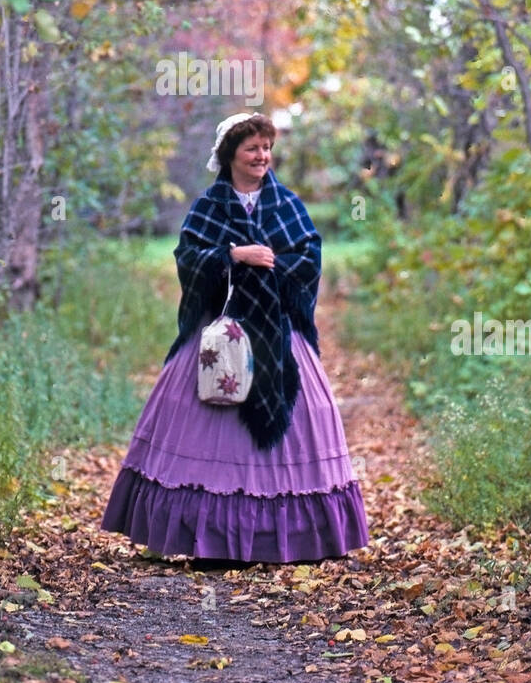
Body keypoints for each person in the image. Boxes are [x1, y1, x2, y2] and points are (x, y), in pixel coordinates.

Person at [100, 111, 368, 564]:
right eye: (252, 149)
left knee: (305, 415)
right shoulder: (209, 206)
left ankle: (294, 537)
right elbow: (187, 256)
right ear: (231, 156)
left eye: (267, 148)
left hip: (278, 332)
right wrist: (232, 256)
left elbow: (309, 256)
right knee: (202, 417)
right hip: (220, 335)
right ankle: (210, 539)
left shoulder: (287, 204)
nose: (262, 156)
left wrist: (272, 271)